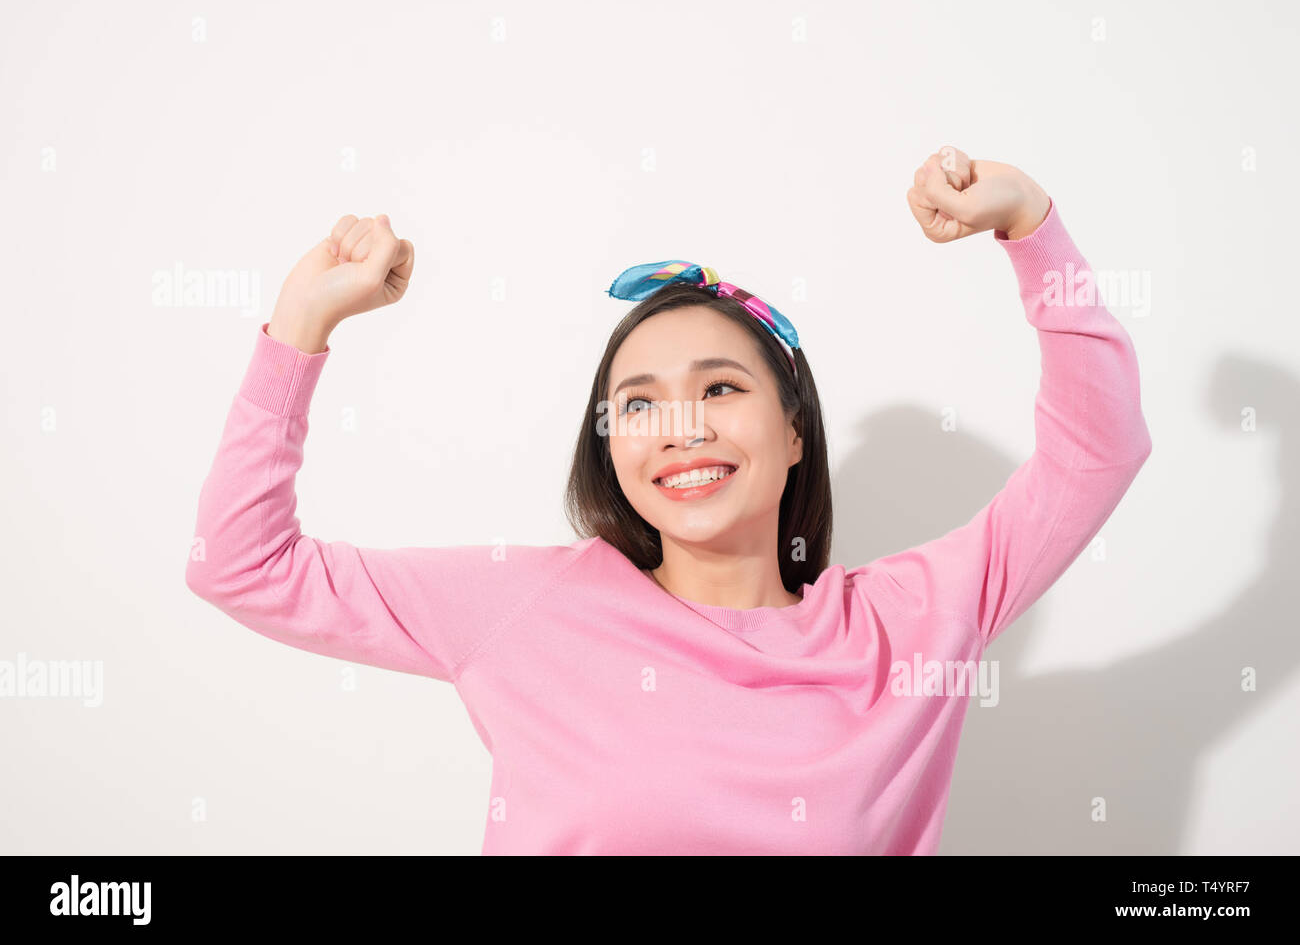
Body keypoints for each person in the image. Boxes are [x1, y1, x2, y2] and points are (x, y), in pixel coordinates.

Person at [185, 146, 1152, 854]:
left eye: (721, 389)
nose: (680, 427)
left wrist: (1031, 224)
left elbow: (1098, 450)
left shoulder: (911, 626)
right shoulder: (527, 607)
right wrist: (302, 324)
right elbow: (241, 564)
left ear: (795, 432)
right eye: (638, 405)